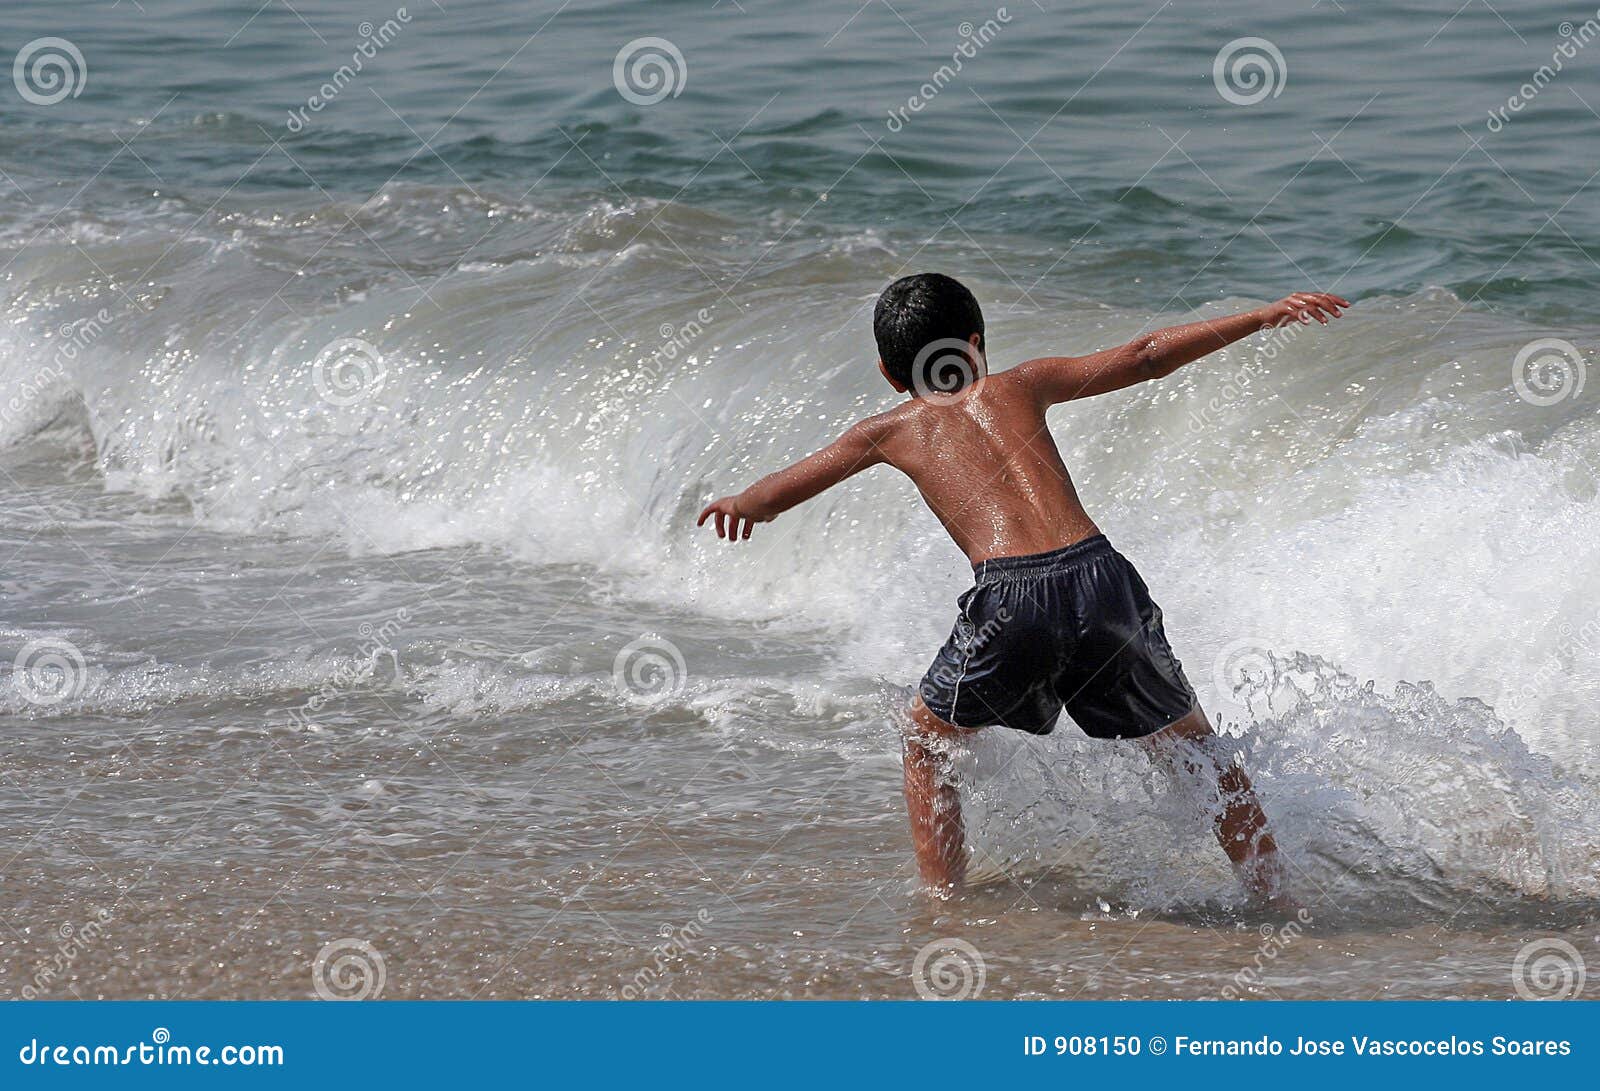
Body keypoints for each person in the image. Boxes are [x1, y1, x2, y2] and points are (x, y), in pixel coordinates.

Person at [697, 273, 1349, 904]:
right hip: (1103, 580)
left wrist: (744, 502)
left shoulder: (888, 429)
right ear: (977, 342)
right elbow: (1148, 356)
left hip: (1011, 597)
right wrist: (1261, 316)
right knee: (1196, 748)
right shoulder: (1023, 383)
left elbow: (784, 492)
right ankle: (1276, 897)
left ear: (889, 375)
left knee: (925, 740)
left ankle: (942, 901)